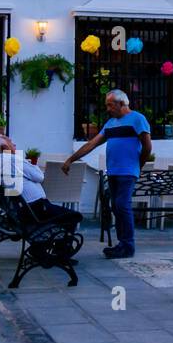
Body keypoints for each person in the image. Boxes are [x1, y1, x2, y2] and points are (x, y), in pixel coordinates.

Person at [62, 89, 151, 259]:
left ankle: (128, 245)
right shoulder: (110, 123)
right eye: (107, 105)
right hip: (114, 171)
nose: (108, 108)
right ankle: (121, 244)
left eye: (110, 105)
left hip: (127, 172)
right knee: (117, 207)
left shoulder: (138, 119)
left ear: (121, 103)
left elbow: (147, 146)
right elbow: (91, 144)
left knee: (122, 205)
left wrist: (137, 166)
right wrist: (71, 160)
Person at [0, 135, 82, 232]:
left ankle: (50, 244)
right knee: (75, 216)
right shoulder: (13, 160)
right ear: (5, 148)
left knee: (66, 216)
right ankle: (57, 245)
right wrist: (32, 163)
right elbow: (40, 177)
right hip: (36, 210)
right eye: (11, 142)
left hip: (24, 210)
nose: (14, 144)